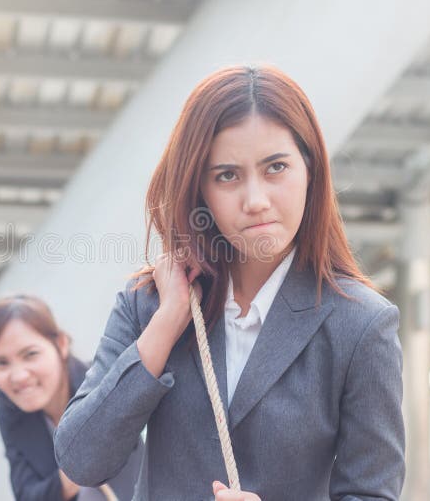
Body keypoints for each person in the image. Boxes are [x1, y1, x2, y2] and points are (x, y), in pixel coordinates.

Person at [54, 65, 405, 500]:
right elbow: (81, 458)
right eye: (227, 176)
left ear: (310, 170)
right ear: (199, 189)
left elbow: (373, 493)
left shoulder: (361, 326)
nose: (256, 201)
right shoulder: (146, 305)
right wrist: (168, 322)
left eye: (276, 167)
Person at [0, 294, 143, 500]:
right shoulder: (9, 406)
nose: (19, 376)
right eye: (1, 363)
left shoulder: (101, 384)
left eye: (30, 354)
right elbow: (26, 494)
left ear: (62, 344)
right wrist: (79, 466)